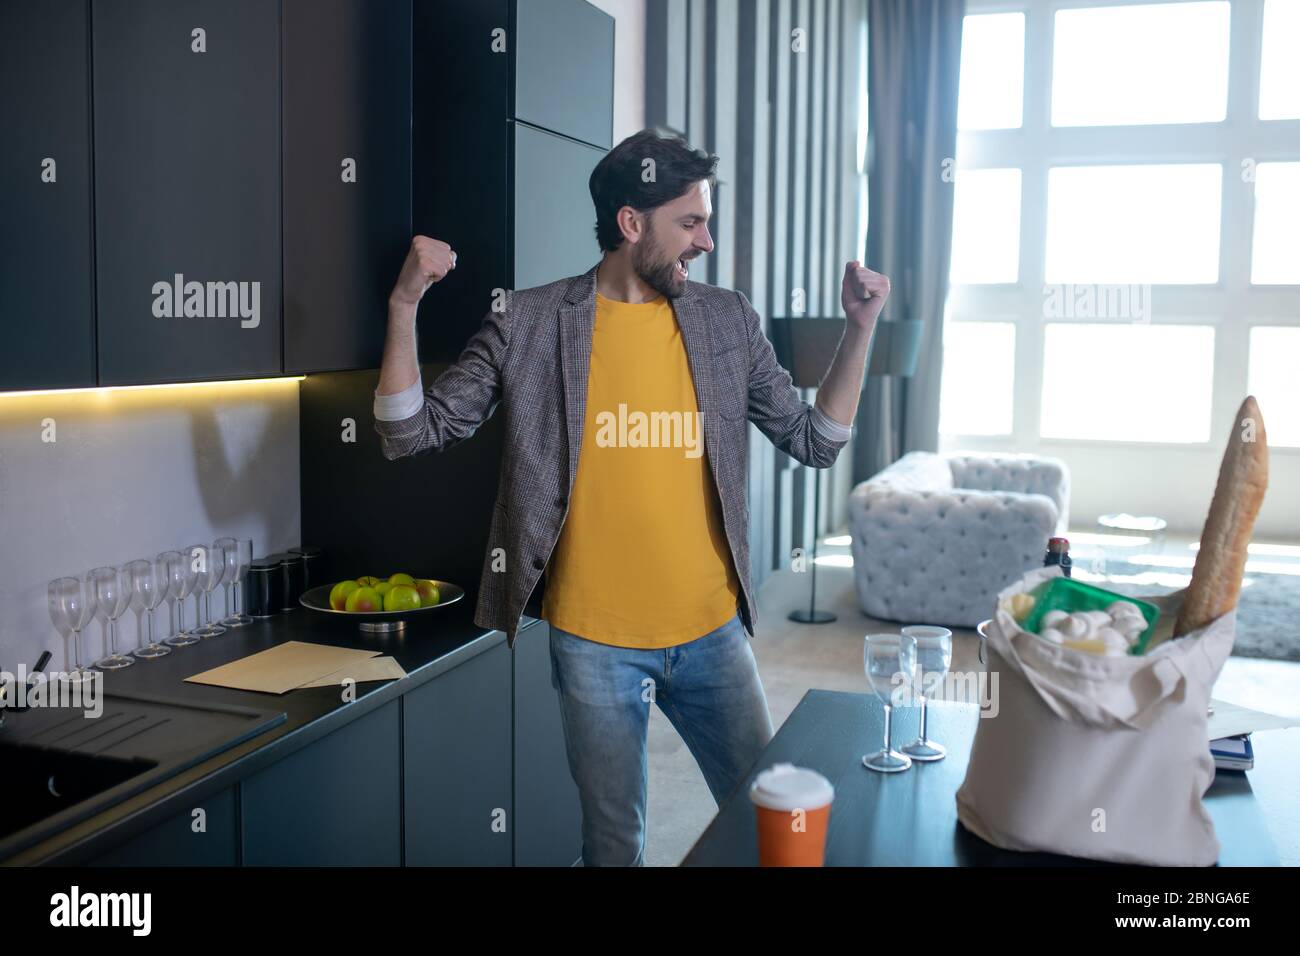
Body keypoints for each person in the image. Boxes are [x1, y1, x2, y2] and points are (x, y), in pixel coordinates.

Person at [373, 127, 889, 865]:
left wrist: (859, 328)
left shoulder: (725, 320)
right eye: (691, 222)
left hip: (713, 634)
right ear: (630, 224)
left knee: (778, 821)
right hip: (594, 645)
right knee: (615, 847)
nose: (706, 240)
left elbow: (816, 441)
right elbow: (408, 433)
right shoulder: (529, 322)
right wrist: (403, 304)